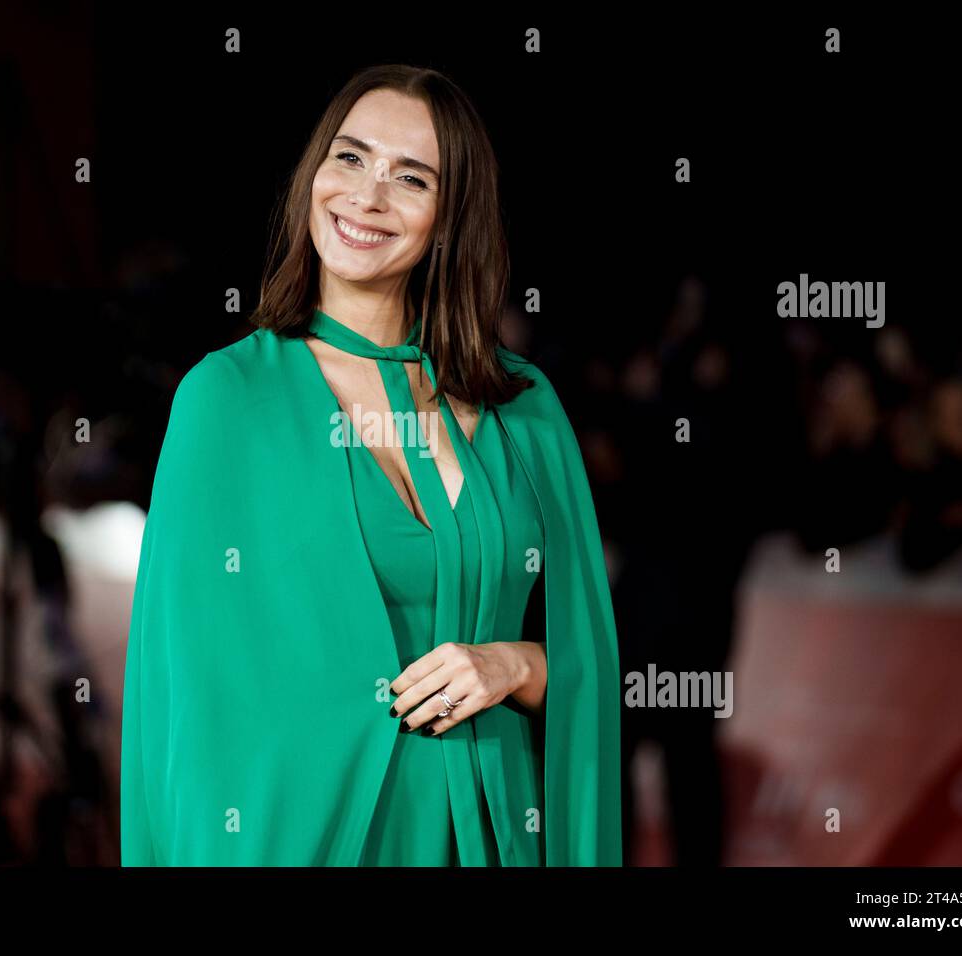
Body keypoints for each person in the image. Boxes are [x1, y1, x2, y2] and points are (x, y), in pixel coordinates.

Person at [120, 65, 621, 866]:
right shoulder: (226, 400)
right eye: (349, 159)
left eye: (410, 177)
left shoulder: (523, 406)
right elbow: (186, 702)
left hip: (499, 834)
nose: (367, 196)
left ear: (451, 217)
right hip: (311, 844)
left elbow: (590, 666)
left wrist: (512, 663)